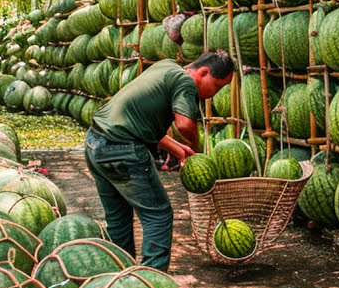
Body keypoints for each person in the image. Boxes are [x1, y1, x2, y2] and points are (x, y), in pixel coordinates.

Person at [84, 51, 234, 270]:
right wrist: (197, 153)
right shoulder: (186, 83)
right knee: (159, 216)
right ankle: (152, 279)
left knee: (118, 220)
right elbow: (184, 125)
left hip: (95, 143)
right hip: (123, 150)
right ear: (203, 72)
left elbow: (139, 119)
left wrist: (177, 149)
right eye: (218, 86)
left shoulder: (166, 67)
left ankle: (118, 278)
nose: (215, 93)